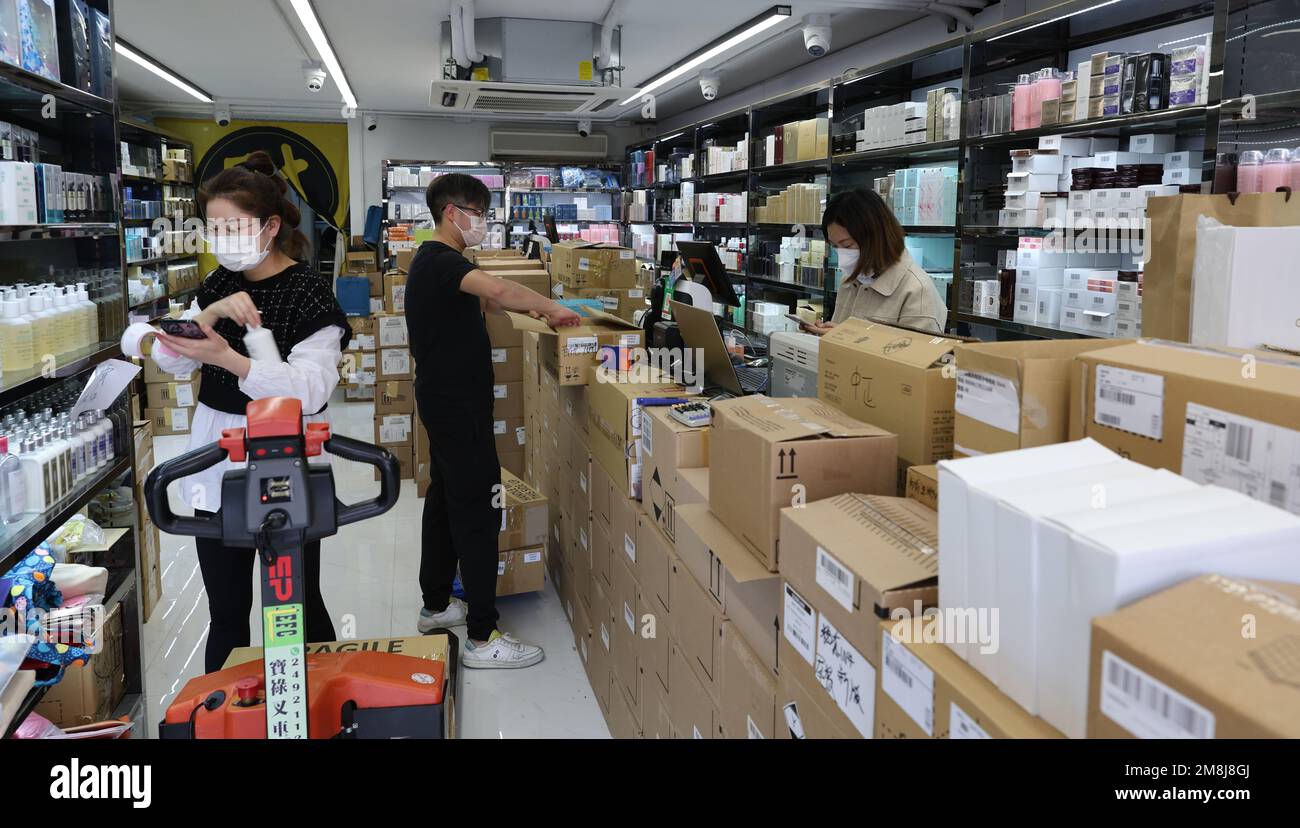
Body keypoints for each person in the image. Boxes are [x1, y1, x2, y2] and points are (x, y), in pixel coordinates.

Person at [151, 150, 350, 673]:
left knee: (297, 609)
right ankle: (226, 715)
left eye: (232, 226)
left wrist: (230, 358)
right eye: (213, 226)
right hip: (215, 460)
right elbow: (167, 359)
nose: (220, 237)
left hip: (280, 460)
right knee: (227, 611)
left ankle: (315, 707)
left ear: (270, 226)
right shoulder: (217, 283)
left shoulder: (308, 294)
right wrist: (209, 314)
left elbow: (310, 392)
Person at [405, 173, 580, 669]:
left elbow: (481, 300)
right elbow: (500, 290)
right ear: (451, 213)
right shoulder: (441, 260)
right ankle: (483, 636)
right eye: (477, 213)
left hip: (445, 402)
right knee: (478, 511)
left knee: (443, 498)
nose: (482, 222)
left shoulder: (436, 261)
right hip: (458, 408)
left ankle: (436, 605)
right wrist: (552, 309)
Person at [803, 188, 948, 336]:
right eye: (835, 246)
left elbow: (915, 357)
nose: (842, 256)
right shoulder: (850, 280)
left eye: (847, 245)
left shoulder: (918, 292)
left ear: (875, 237)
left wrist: (847, 339)